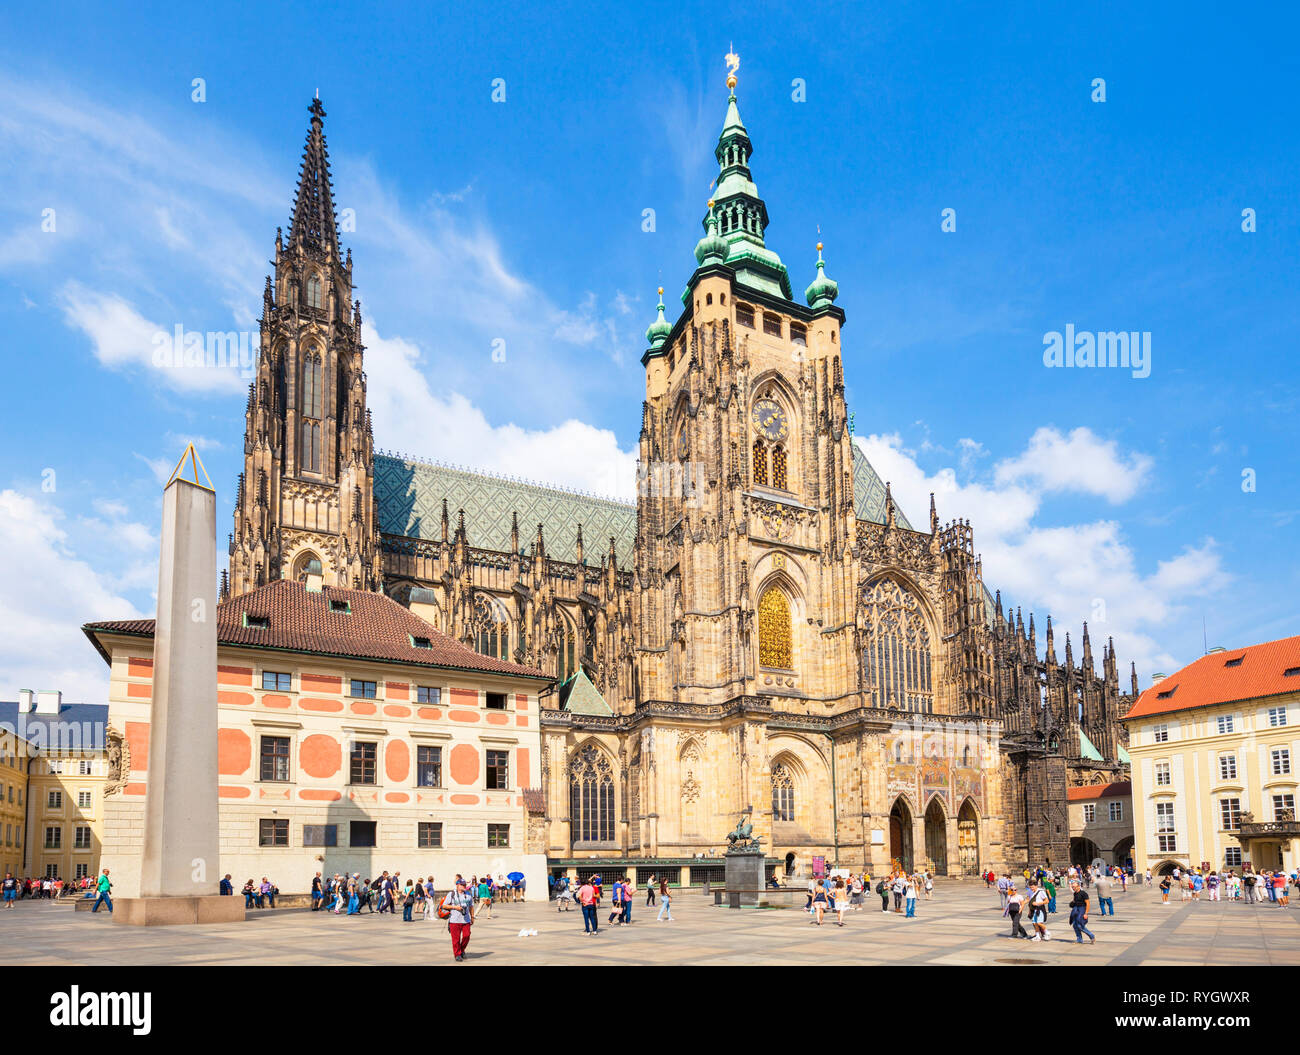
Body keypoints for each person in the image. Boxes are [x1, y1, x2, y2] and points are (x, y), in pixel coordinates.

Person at [442, 879, 476, 962]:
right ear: (457, 885)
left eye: (465, 885)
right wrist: (455, 907)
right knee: (456, 939)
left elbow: (471, 906)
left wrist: (472, 916)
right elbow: (444, 906)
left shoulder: (468, 894)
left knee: (466, 936)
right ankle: (457, 954)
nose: (464, 886)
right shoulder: (452, 894)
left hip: (466, 920)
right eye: (462, 885)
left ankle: (461, 949)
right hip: (454, 920)